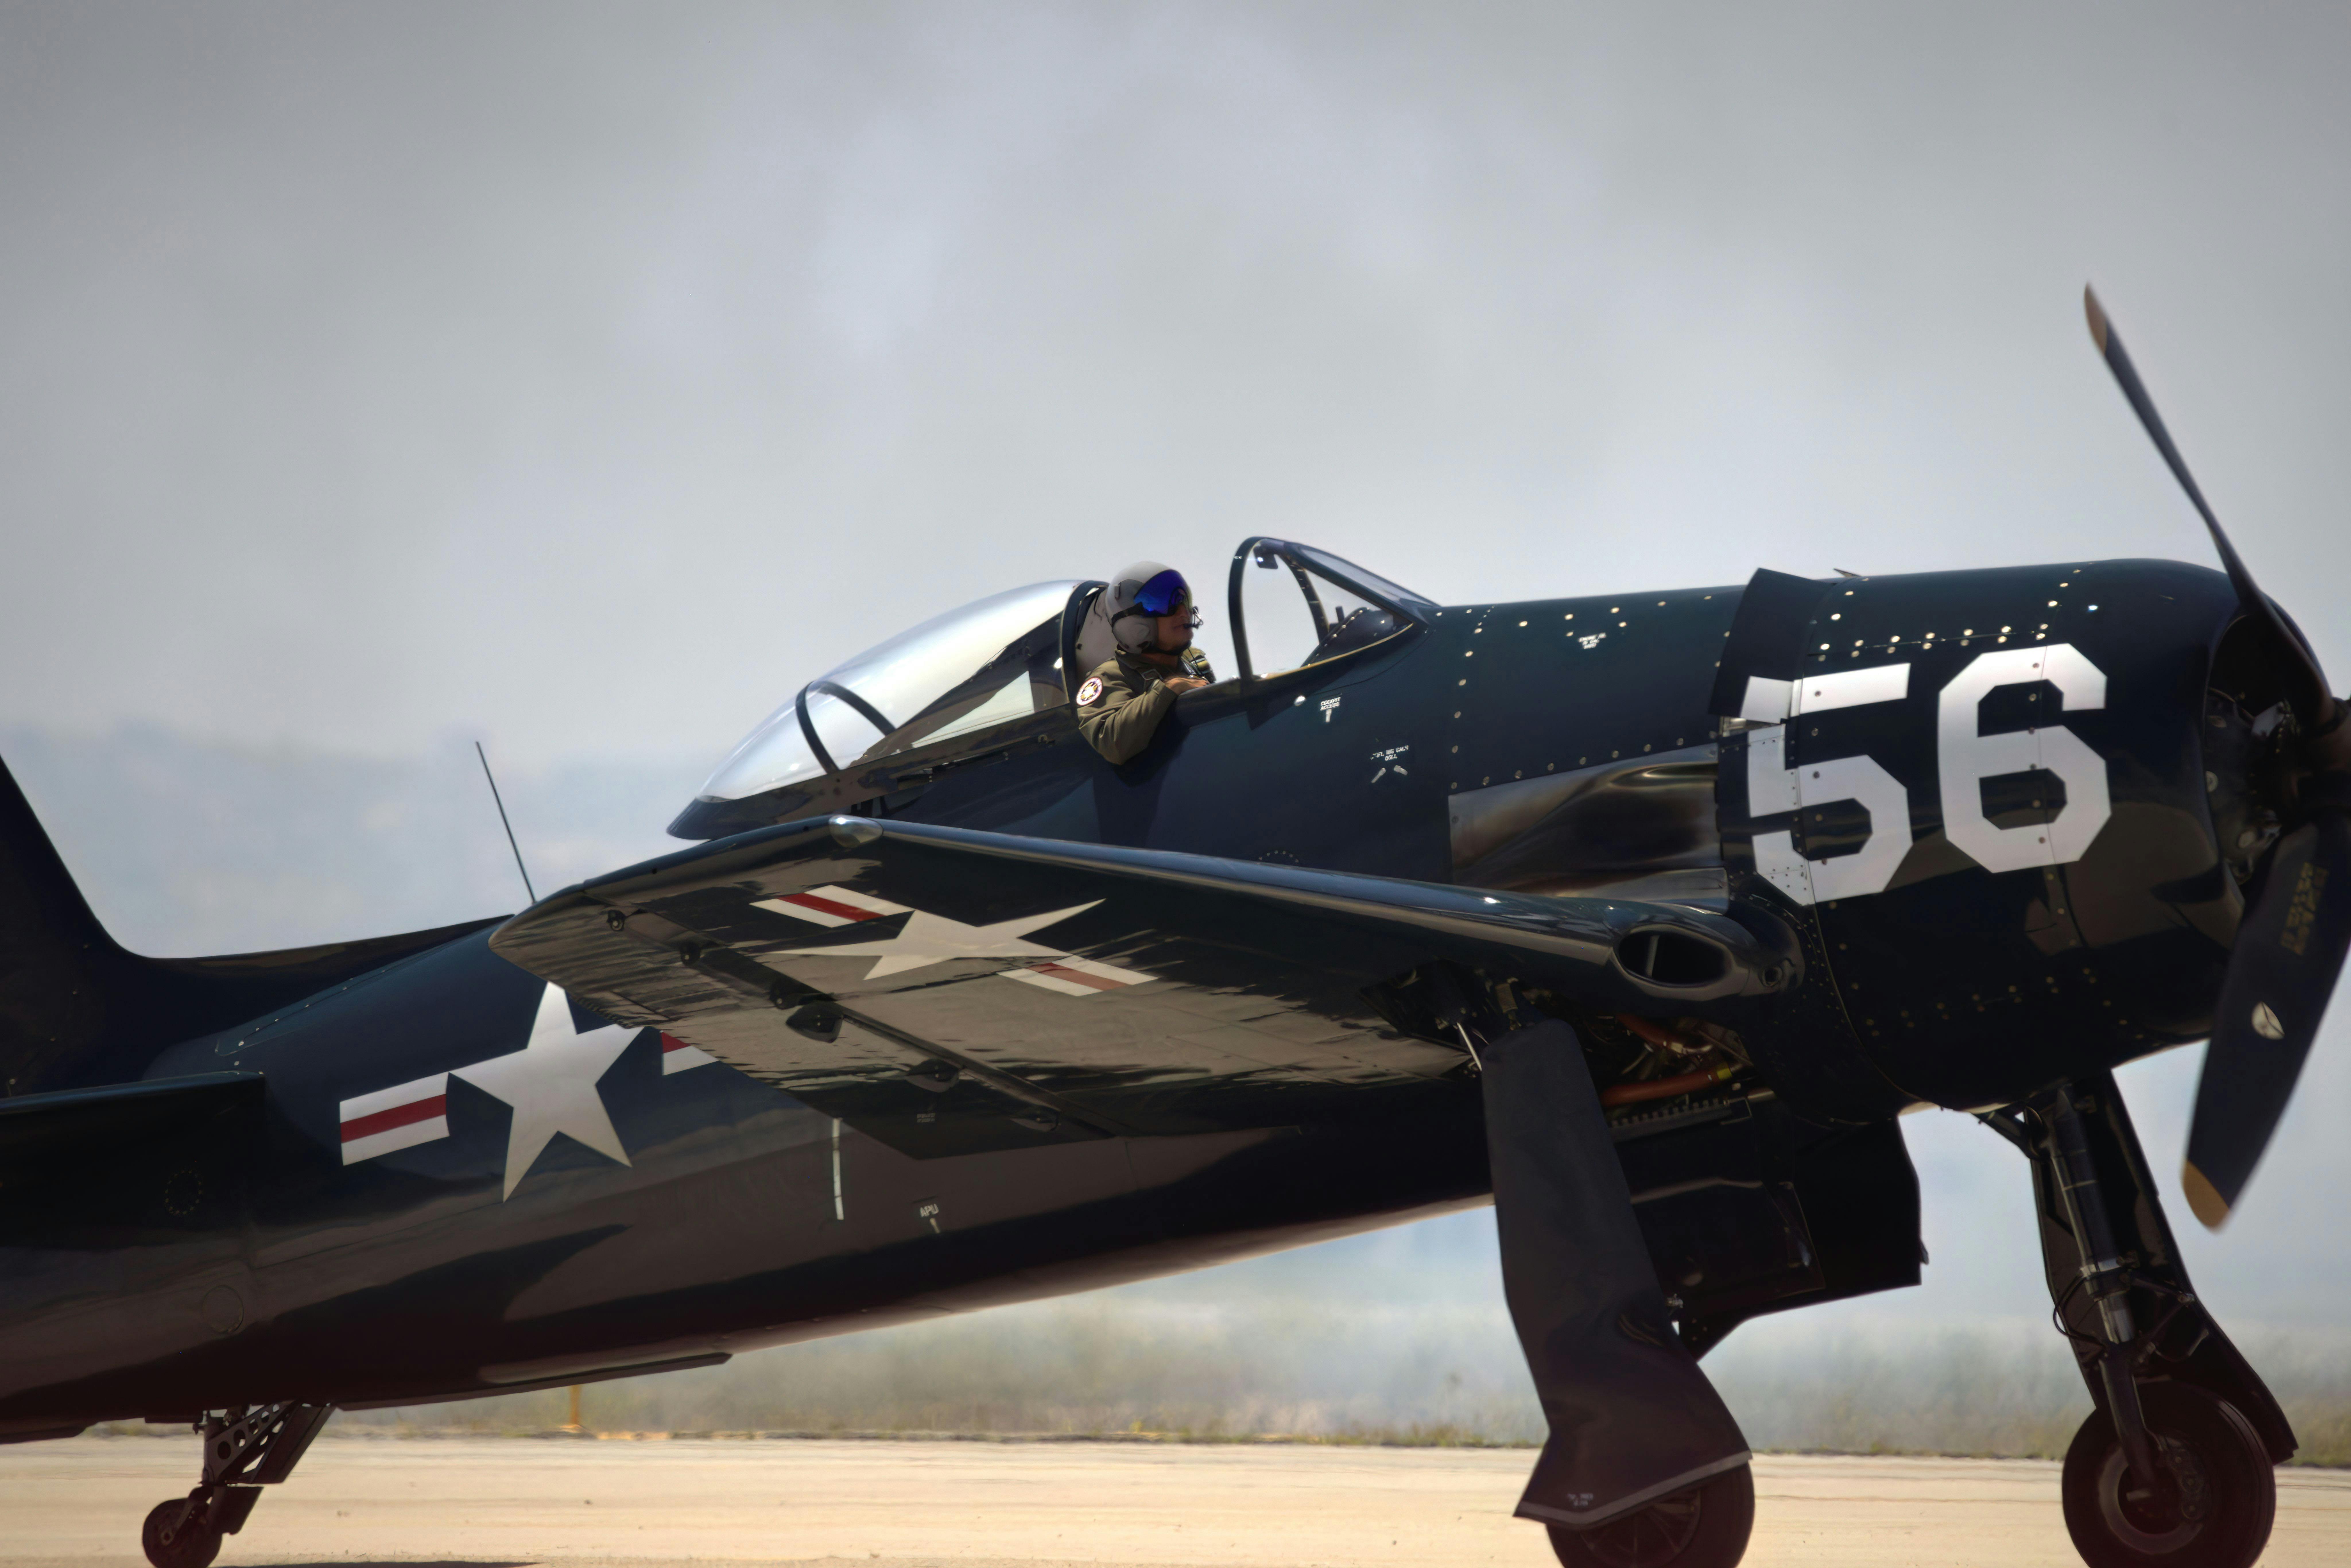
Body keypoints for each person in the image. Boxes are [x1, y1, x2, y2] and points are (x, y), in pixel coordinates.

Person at [1077, 562, 1213, 763]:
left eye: (1183, 600)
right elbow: (1112, 743)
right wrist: (1168, 689)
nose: (1183, 612)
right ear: (1133, 623)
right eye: (1164, 603)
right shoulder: (1109, 676)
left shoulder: (1193, 661)